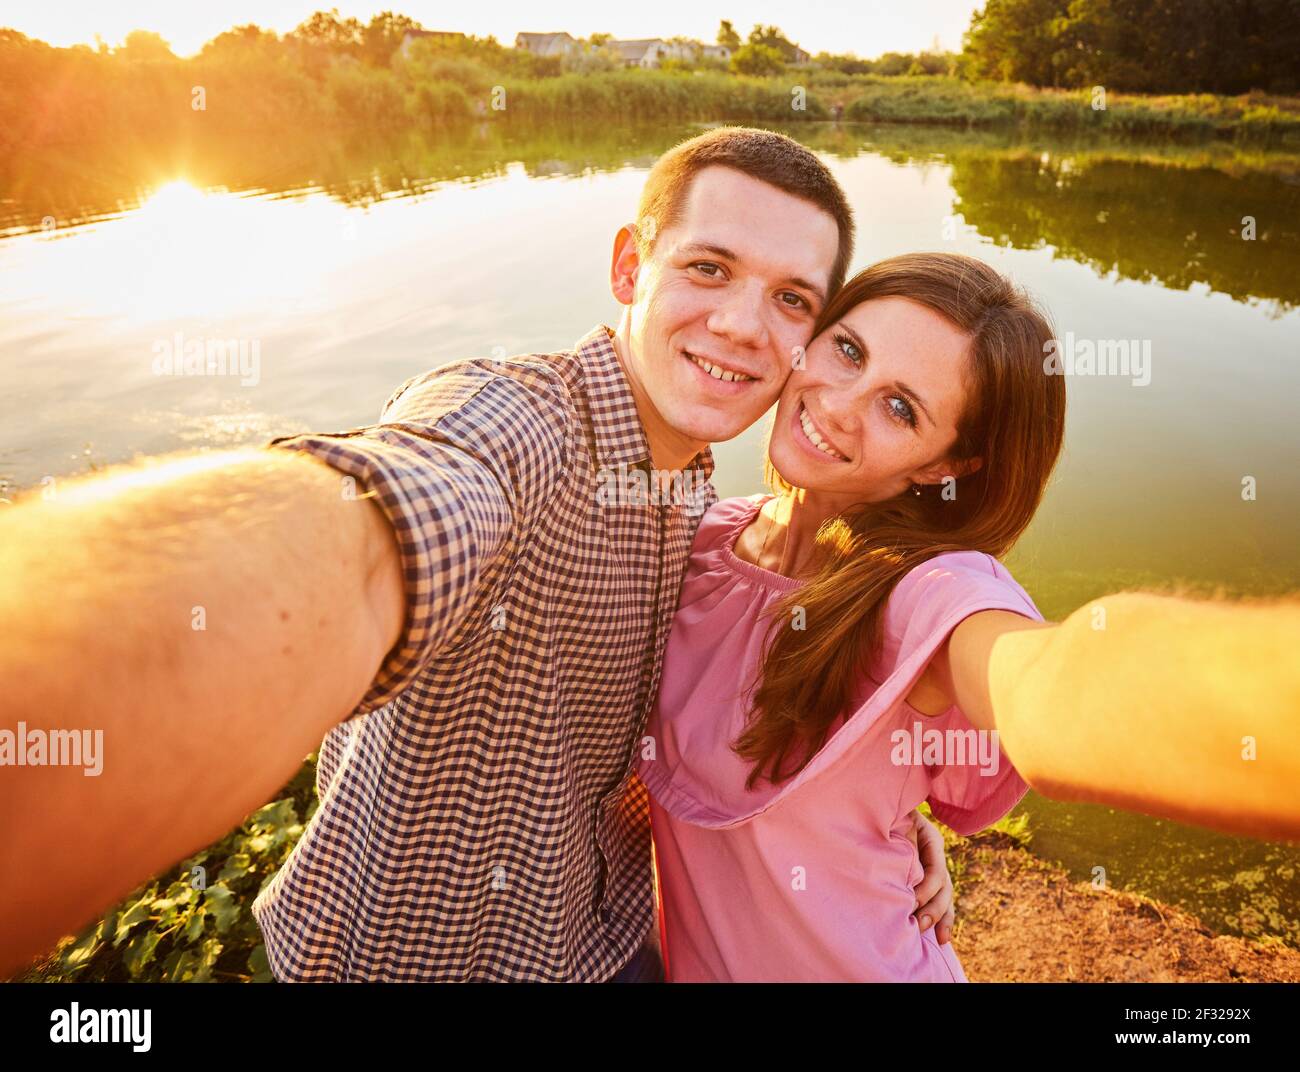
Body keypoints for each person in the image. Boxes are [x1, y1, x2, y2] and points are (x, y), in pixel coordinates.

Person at [0, 127, 959, 982]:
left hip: (607, 935)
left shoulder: (697, 491)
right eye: (709, 268)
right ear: (631, 268)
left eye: (791, 299)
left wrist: (877, 810)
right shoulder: (516, 425)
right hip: (409, 955)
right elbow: (393, 515)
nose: (745, 326)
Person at [638, 252, 1300, 982]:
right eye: (848, 350)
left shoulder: (922, 593)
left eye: (901, 408)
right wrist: (881, 811)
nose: (837, 403)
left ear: (945, 468)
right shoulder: (696, 538)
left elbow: (1050, 688)